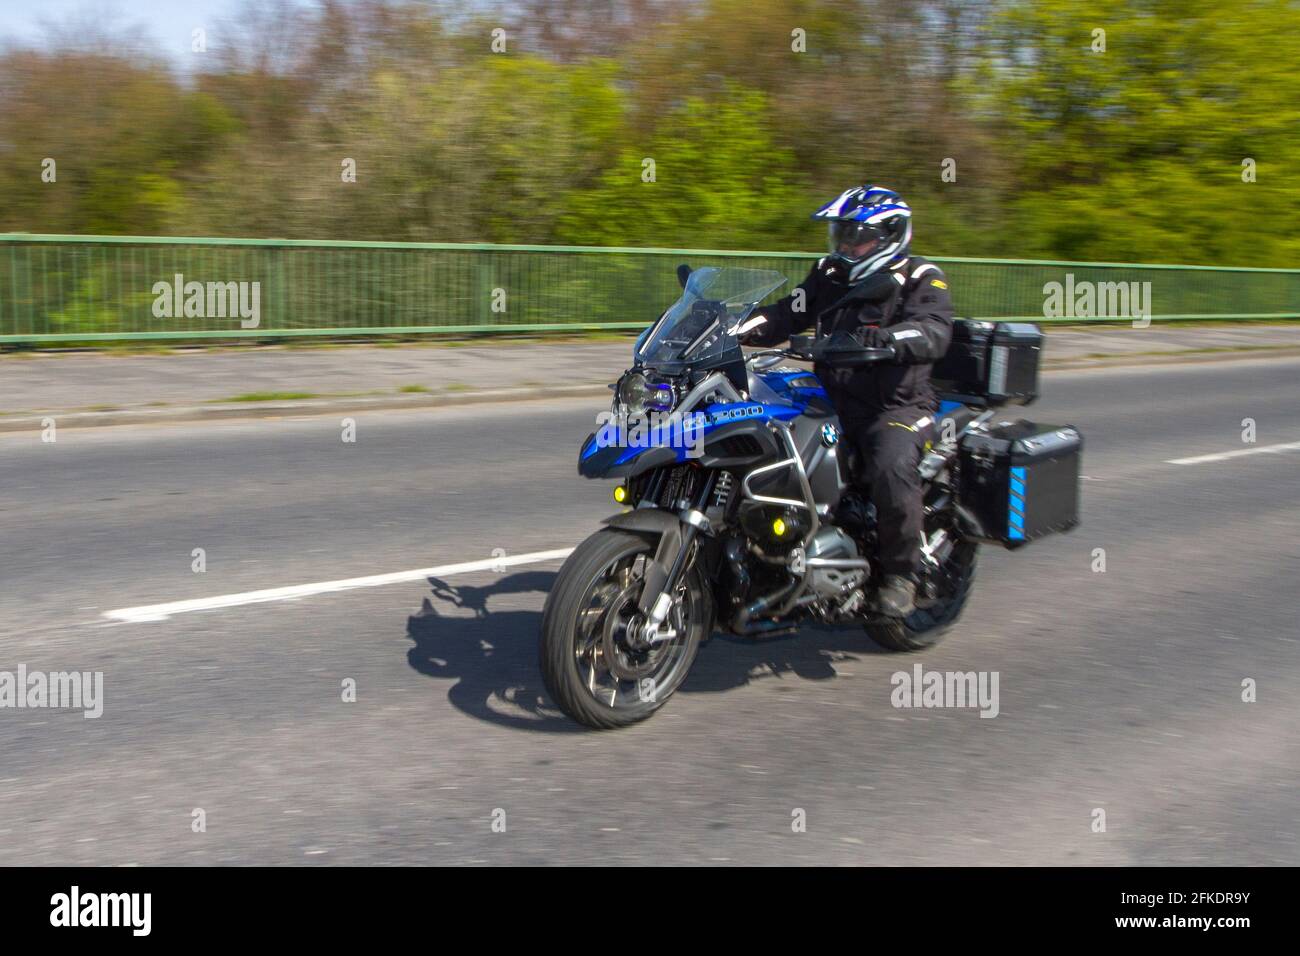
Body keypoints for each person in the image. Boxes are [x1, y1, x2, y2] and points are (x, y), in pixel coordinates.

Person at [743, 185, 954, 616]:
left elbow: (934, 329)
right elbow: (789, 312)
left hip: (895, 407)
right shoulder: (830, 274)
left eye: (858, 235)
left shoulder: (921, 276)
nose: (847, 244)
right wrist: (735, 327)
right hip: (830, 398)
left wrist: (890, 338)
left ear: (891, 235)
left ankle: (900, 575)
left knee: (890, 464)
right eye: (842, 234)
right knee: (765, 438)